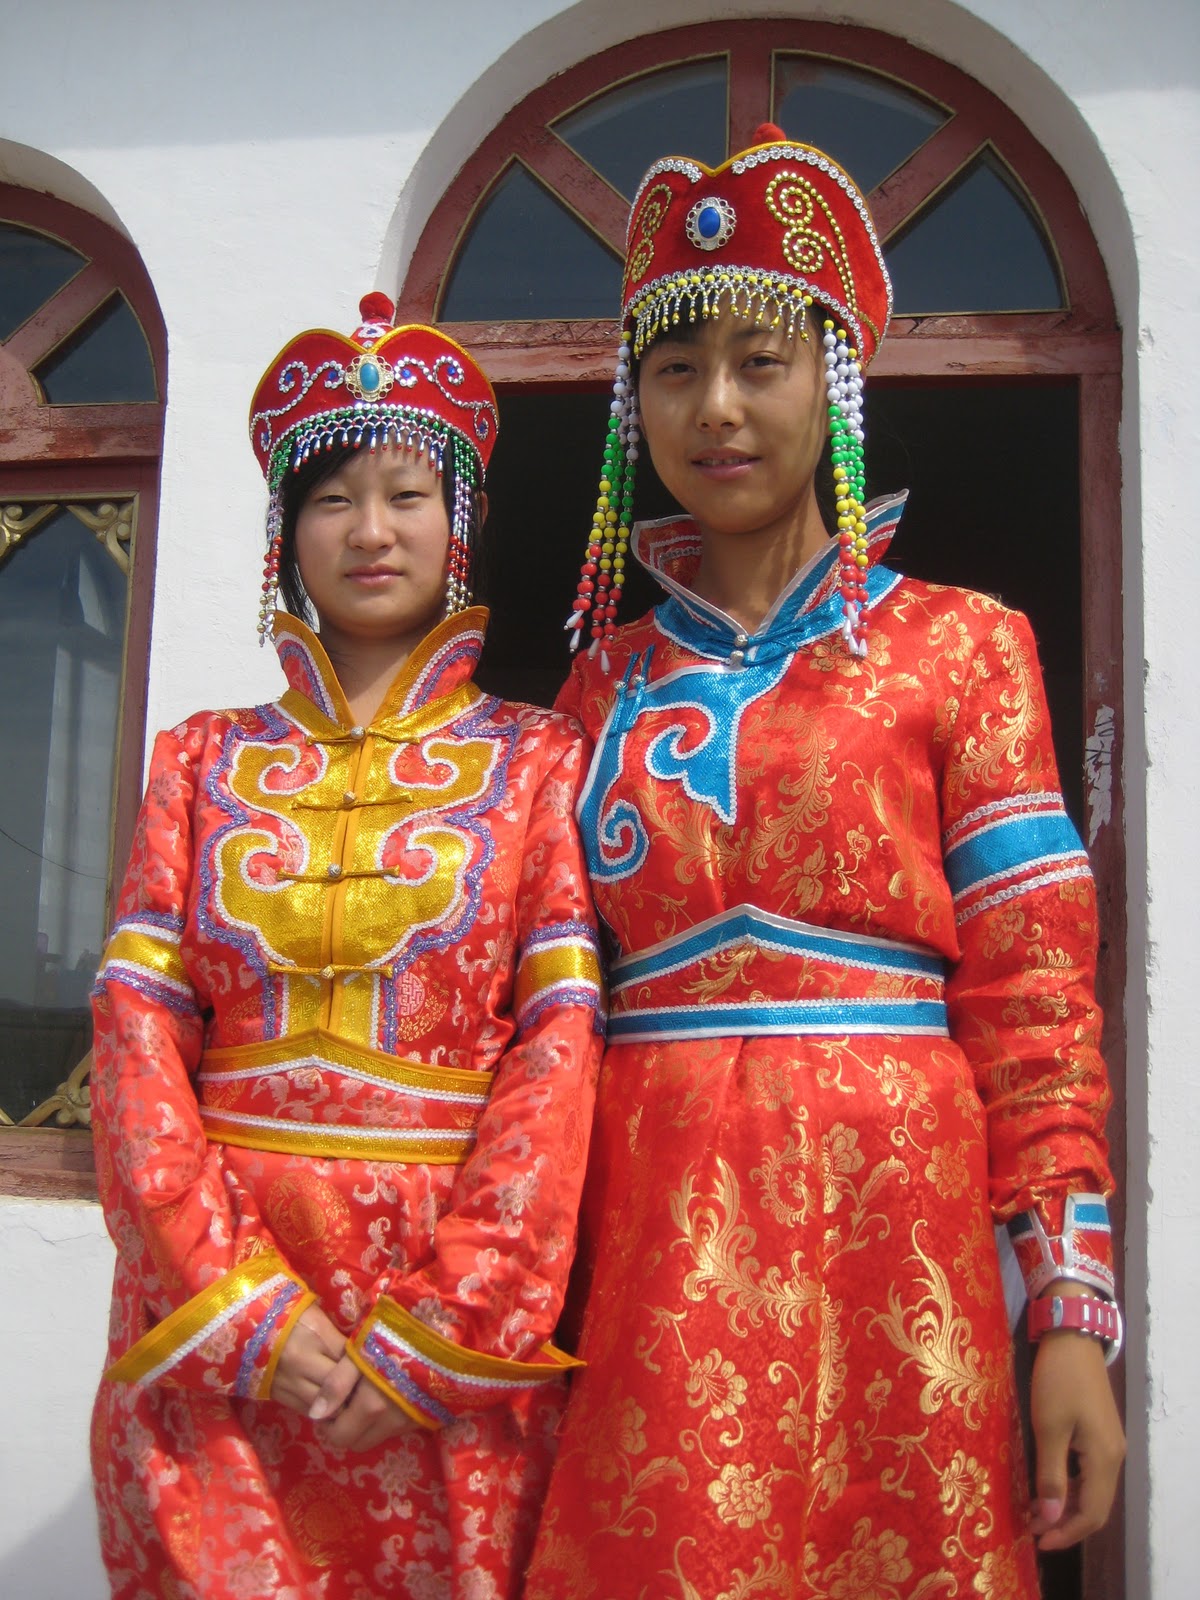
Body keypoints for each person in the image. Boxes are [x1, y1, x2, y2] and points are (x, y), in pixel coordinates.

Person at [524, 127, 1124, 1597]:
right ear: (634, 403)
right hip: (647, 1229)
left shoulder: (966, 647)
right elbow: (535, 1013)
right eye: (676, 372)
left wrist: (1070, 1317)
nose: (716, 409)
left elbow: (1037, 1007)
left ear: (834, 384)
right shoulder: (597, 691)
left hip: (900, 1234)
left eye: (758, 362)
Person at [89, 295, 605, 1600]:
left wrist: (450, 1320)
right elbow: (137, 1038)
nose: (371, 531)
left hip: (430, 1307)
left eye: (408, 494)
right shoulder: (199, 759)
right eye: (332, 500)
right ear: (285, 532)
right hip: (216, 1302)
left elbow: (558, 1053)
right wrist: (238, 1301)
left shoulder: (539, 759)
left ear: (460, 523)